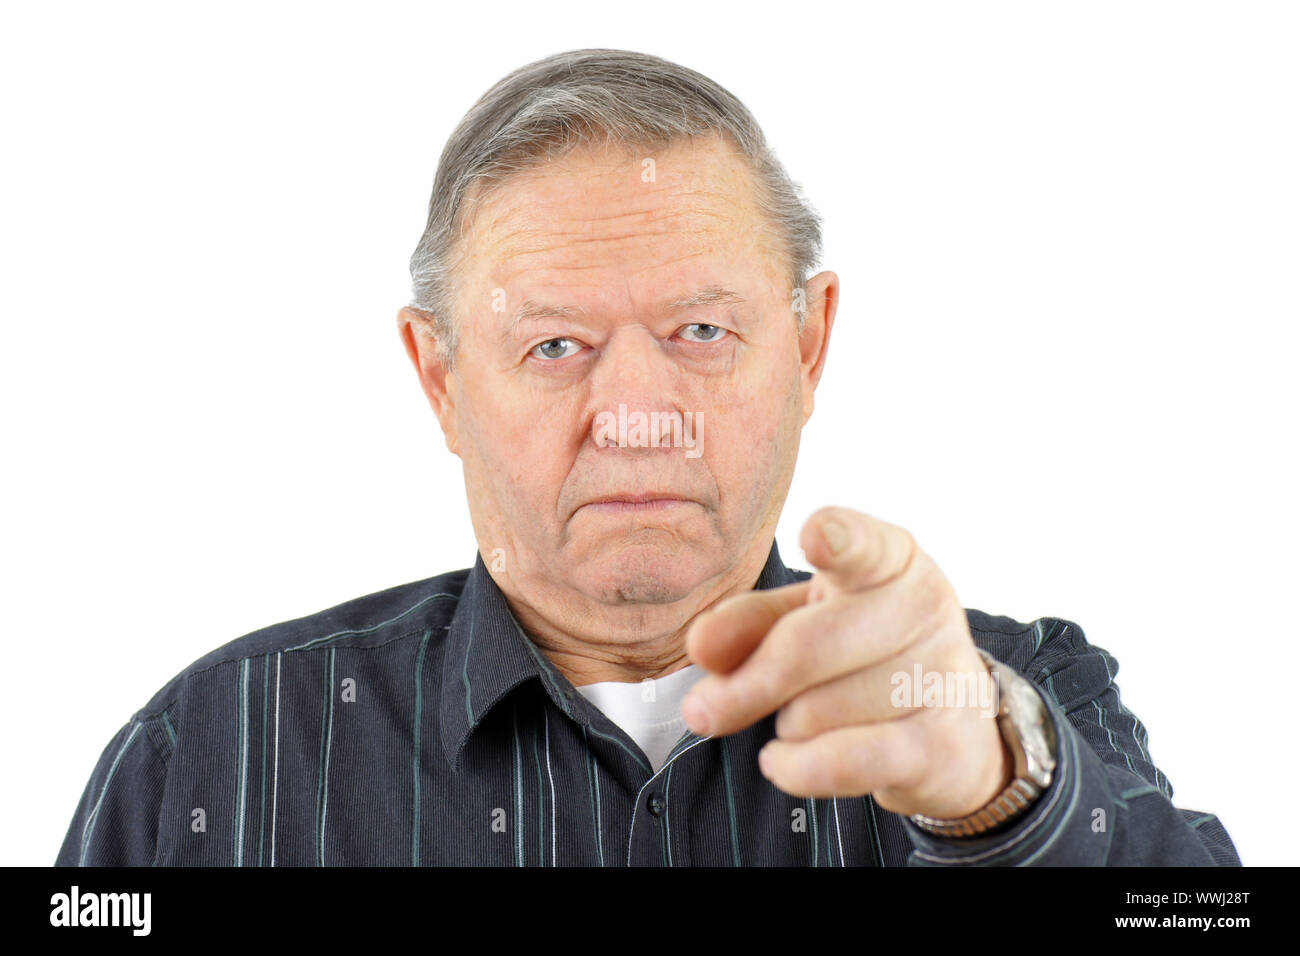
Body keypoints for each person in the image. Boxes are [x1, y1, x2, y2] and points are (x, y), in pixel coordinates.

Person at [56, 48, 1240, 867]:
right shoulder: (214, 747)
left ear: (810, 344)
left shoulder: (1015, 696)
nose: (636, 412)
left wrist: (999, 785)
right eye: (556, 342)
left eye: (703, 332)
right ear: (440, 377)